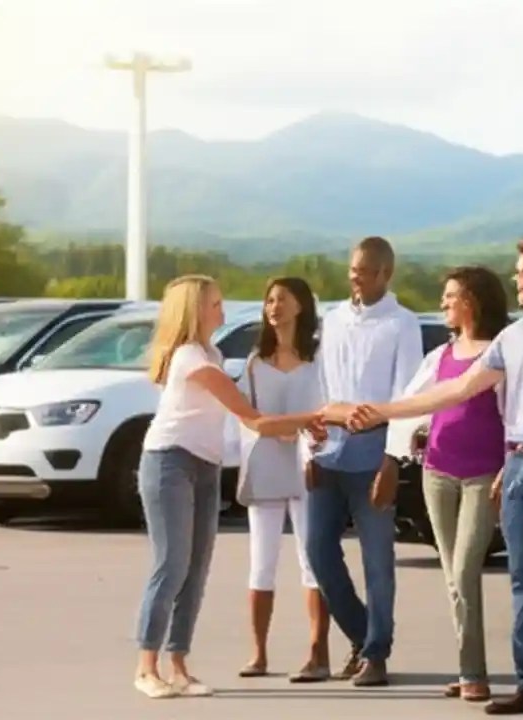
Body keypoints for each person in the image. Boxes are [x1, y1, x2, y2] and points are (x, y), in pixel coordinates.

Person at [351, 235, 523, 719]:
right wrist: (382, 412)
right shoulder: (511, 339)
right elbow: (456, 389)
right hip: (515, 464)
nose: (516, 279)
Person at [133, 274, 327, 699]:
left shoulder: (213, 352)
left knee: (196, 568)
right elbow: (254, 419)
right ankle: (147, 667)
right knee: (171, 566)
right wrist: (322, 417)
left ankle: (179, 665)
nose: (224, 310)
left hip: (204, 466)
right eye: (216, 303)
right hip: (169, 462)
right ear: (195, 310)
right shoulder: (189, 358)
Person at [384, 266, 509, 702]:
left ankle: (475, 672)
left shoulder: (499, 354)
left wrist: (507, 469)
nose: (443, 304)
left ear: (472, 301)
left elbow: (514, 418)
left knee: (464, 568)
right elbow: (416, 401)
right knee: (452, 577)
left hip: (483, 476)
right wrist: (410, 435)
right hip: (436, 472)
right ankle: (469, 669)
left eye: (451, 296)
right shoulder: (441, 355)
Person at [306, 236, 424, 687]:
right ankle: (361, 634)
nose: (355, 276)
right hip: (329, 452)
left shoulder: (402, 324)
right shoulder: (333, 321)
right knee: (318, 549)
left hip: (375, 454)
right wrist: (310, 448)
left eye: (364, 270)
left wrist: (392, 462)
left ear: (384, 274)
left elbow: (407, 399)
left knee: (378, 560)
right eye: (352, 268)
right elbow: (318, 389)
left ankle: (376, 653)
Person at [235, 277, 336, 683]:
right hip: (265, 466)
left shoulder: (320, 359)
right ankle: (258, 653)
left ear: (301, 306)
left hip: (309, 466)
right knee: (262, 562)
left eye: (283, 299)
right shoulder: (255, 362)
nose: (274, 306)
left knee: (312, 561)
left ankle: (318, 653)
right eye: (269, 300)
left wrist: (313, 434)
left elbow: (329, 412)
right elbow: (246, 416)